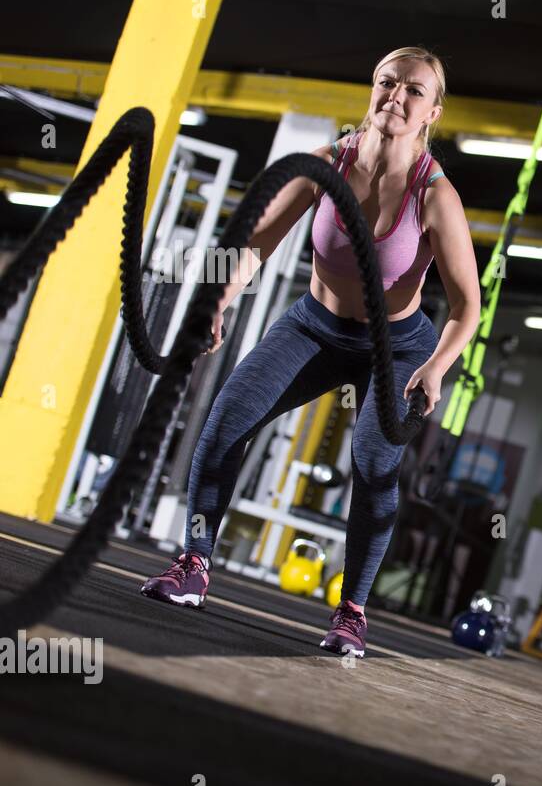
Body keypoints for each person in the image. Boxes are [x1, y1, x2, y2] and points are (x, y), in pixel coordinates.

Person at [141, 46, 480, 659]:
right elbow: (254, 244)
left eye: (414, 91)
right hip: (314, 327)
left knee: (373, 461)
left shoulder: (435, 196)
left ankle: (351, 612)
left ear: (433, 110)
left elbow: (467, 309)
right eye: (387, 83)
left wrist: (435, 368)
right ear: (372, 88)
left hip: (396, 347)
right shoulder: (327, 163)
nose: (396, 98)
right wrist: (219, 299)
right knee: (226, 421)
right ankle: (194, 563)